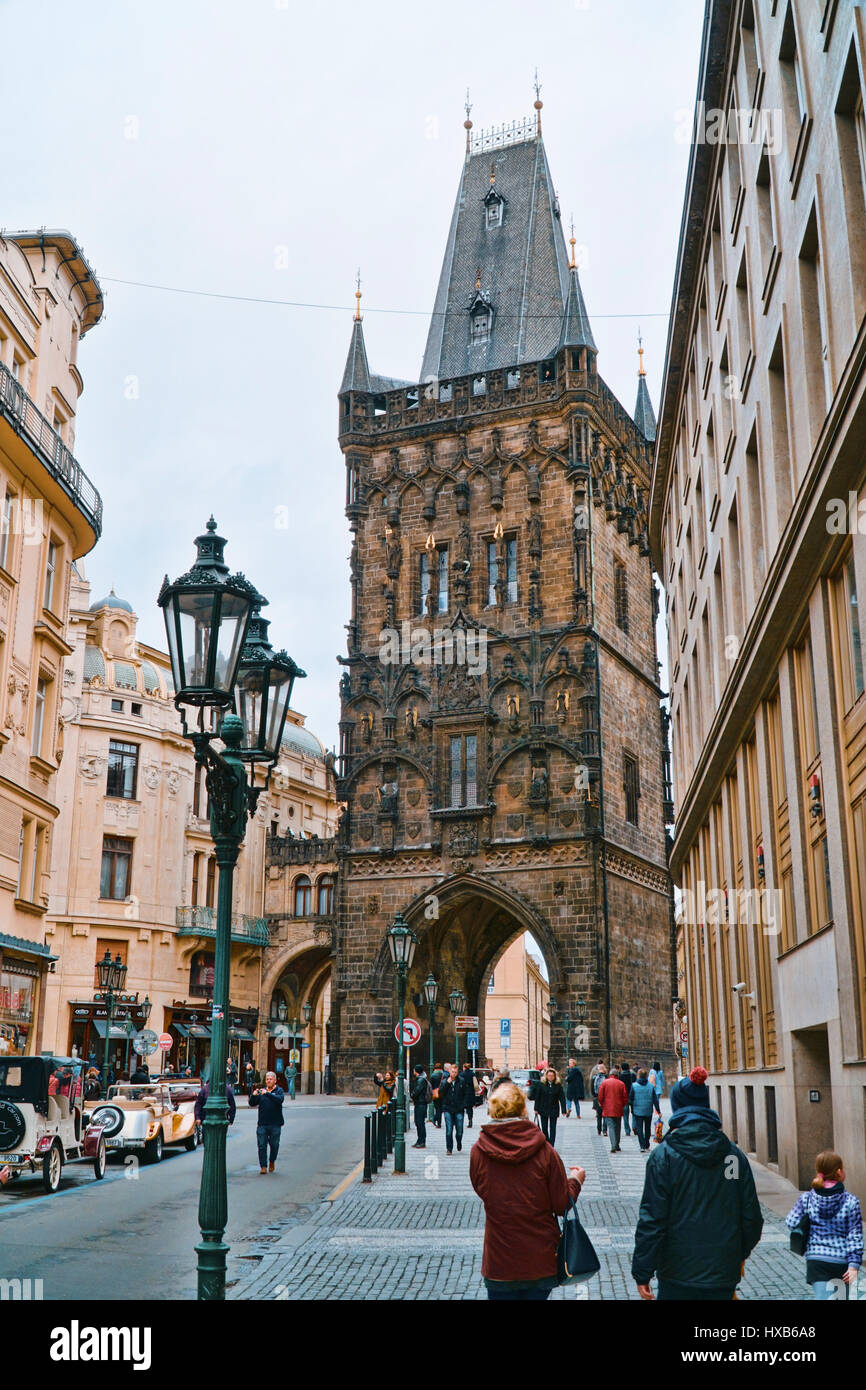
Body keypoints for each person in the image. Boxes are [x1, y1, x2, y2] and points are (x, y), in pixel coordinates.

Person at [632, 1065, 763, 1301]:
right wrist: (737, 1252)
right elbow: (751, 1216)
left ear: (677, 1106)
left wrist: (642, 1271)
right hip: (722, 1272)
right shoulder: (732, 1156)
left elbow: (652, 1219)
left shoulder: (664, 1157)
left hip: (676, 1273)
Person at [469, 1080, 586, 1301]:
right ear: (523, 1109)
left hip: (499, 1260)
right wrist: (575, 1181)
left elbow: (482, 1190)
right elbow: (562, 1205)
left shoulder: (479, 1152)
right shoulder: (545, 1151)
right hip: (539, 1260)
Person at [785, 1150, 863, 1300]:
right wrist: (854, 1265)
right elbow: (855, 1236)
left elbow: (791, 1222)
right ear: (839, 1172)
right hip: (840, 1261)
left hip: (816, 1260)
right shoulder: (851, 1202)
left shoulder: (807, 1198)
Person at [249, 1071, 285, 1173]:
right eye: (267, 1079)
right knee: (261, 1145)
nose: (268, 1081)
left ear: (275, 1080)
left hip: (275, 1124)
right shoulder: (262, 1092)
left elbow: (280, 1100)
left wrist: (268, 1094)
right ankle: (263, 1166)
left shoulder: (279, 1091)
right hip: (262, 1124)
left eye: (270, 1079)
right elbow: (252, 1103)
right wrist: (254, 1095)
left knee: (274, 1145)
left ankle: (272, 1161)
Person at [194, 1078, 237, 1146]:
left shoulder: (205, 1089)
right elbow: (198, 1104)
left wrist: (231, 1119)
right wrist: (197, 1117)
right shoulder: (206, 1089)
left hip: (212, 1120)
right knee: (212, 1142)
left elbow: (232, 1105)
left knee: (217, 1143)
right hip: (209, 1121)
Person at [439, 1062, 469, 1154]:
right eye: (452, 1072)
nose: (454, 1074)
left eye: (455, 1072)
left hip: (459, 1108)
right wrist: (447, 1083)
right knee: (449, 1130)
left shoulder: (462, 1081)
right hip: (448, 1108)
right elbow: (441, 1093)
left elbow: (465, 1094)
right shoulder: (445, 1081)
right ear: (449, 1071)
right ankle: (449, 1148)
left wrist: (464, 1105)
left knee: (459, 1130)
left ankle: (459, 1141)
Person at [629, 1068, 661, 1151]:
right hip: (648, 1110)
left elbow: (630, 1099)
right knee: (647, 1128)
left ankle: (642, 1146)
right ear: (646, 1076)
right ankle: (647, 1144)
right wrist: (658, 1110)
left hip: (637, 1111)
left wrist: (632, 1107)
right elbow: (655, 1100)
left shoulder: (634, 1086)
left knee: (639, 1128)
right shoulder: (650, 1086)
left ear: (638, 1076)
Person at [533, 1067, 567, 1146]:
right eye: (549, 1075)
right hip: (543, 1108)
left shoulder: (558, 1085)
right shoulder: (541, 1084)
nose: (550, 1077)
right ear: (546, 1076)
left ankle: (551, 1144)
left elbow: (562, 1098)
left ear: (555, 1076)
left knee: (553, 1128)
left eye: (552, 1076)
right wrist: (536, 1108)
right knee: (544, 1127)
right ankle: (546, 1142)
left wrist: (563, 1110)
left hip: (554, 1109)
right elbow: (537, 1097)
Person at [598, 1066, 628, 1152]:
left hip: (607, 1108)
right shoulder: (621, 1084)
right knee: (618, 1126)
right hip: (618, 1108)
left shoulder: (604, 1083)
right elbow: (625, 1097)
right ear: (617, 1075)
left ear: (610, 1074)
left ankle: (613, 1145)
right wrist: (622, 1105)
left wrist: (603, 1104)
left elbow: (600, 1096)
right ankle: (617, 1144)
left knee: (611, 1127)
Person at [410, 1064, 431, 1148]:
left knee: (420, 1123)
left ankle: (422, 1141)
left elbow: (416, 1091)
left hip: (420, 1103)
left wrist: (412, 1094)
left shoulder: (420, 1080)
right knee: (419, 1123)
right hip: (421, 1103)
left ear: (416, 1071)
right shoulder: (422, 1079)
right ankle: (420, 1140)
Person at [619, 1062, 637, 1137]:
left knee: (625, 1115)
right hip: (632, 1096)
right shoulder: (632, 1075)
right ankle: (634, 1127)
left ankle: (627, 1131)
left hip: (624, 1097)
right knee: (634, 1113)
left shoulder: (620, 1076)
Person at [590, 1064, 607, 1135]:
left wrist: (595, 1095)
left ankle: (599, 1130)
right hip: (605, 1098)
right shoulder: (607, 1077)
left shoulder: (594, 1077)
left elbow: (592, 1088)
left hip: (597, 1097)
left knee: (599, 1115)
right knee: (605, 1115)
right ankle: (605, 1130)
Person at [462, 1061, 478, 1128]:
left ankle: (460, 1120)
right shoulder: (472, 1074)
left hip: (463, 1092)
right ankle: (470, 1120)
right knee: (469, 1108)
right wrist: (476, 1091)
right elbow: (475, 1084)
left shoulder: (461, 1074)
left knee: (461, 1107)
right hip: (470, 1092)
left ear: (464, 1067)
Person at [430, 1062, 444, 1128]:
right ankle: (437, 1121)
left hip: (435, 1093)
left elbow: (431, 1086)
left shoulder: (432, 1075)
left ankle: (436, 1120)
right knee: (440, 1108)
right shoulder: (443, 1075)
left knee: (437, 1108)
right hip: (442, 1093)